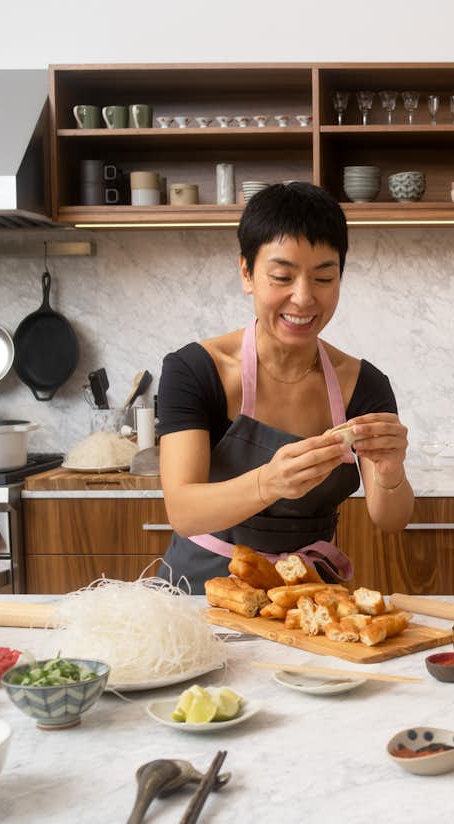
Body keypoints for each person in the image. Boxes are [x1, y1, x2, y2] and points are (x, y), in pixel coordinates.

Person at [156, 182, 413, 589]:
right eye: (282, 276)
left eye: (324, 278)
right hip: (199, 592)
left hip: (308, 593)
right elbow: (184, 511)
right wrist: (270, 482)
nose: (303, 298)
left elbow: (391, 519)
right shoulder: (196, 369)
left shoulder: (362, 384)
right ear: (247, 273)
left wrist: (391, 467)